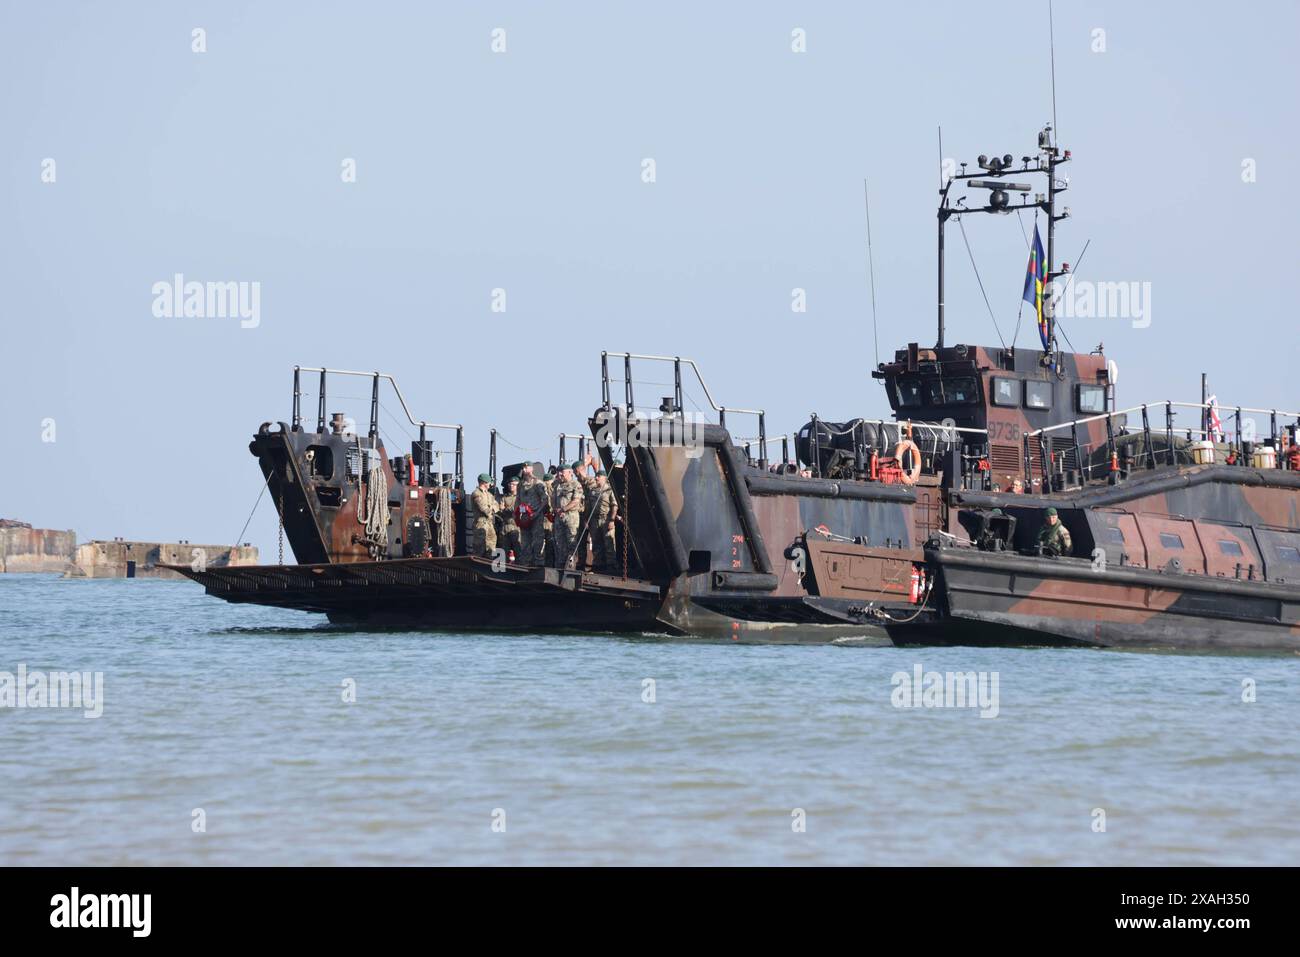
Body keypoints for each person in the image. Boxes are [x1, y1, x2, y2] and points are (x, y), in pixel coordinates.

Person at [551, 462, 585, 568]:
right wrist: (556, 509)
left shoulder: (576, 484)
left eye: (562, 472)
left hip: (571, 516)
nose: (560, 474)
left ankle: (571, 565)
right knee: (559, 541)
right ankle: (561, 563)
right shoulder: (557, 485)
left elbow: (576, 501)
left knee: (571, 541)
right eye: (559, 472)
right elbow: (553, 499)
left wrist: (563, 509)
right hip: (559, 517)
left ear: (570, 472)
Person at [515, 462, 550, 565]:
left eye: (527, 467)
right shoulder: (521, 484)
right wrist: (516, 514)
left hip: (536, 515)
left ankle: (538, 562)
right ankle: (527, 562)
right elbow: (518, 499)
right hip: (524, 517)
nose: (525, 469)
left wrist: (537, 513)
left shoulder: (537, 483)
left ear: (532, 469)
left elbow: (544, 500)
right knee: (525, 541)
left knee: (537, 540)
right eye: (523, 467)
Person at [589, 470, 619, 571]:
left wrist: (612, 520)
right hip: (594, 520)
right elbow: (588, 506)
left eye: (599, 476)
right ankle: (597, 565)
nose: (596, 478)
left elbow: (614, 505)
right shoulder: (593, 490)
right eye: (596, 476)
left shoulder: (610, 490)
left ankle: (611, 566)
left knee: (609, 543)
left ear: (605, 478)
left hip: (606, 519)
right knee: (596, 543)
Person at [470, 473, 498, 558]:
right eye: (489, 482)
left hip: (489, 523)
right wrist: (492, 509)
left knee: (492, 544)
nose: (490, 484)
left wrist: (493, 508)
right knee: (480, 546)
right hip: (480, 523)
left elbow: (497, 505)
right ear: (484, 482)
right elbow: (483, 508)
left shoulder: (489, 495)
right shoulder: (476, 493)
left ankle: (489, 562)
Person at [498, 476, 521, 560]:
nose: (511, 486)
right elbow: (501, 509)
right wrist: (511, 509)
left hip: (517, 526)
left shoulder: (520, 497)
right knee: (504, 549)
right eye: (510, 484)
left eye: (514, 484)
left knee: (518, 549)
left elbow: (520, 509)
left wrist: (508, 509)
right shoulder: (504, 497)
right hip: (506, 526)